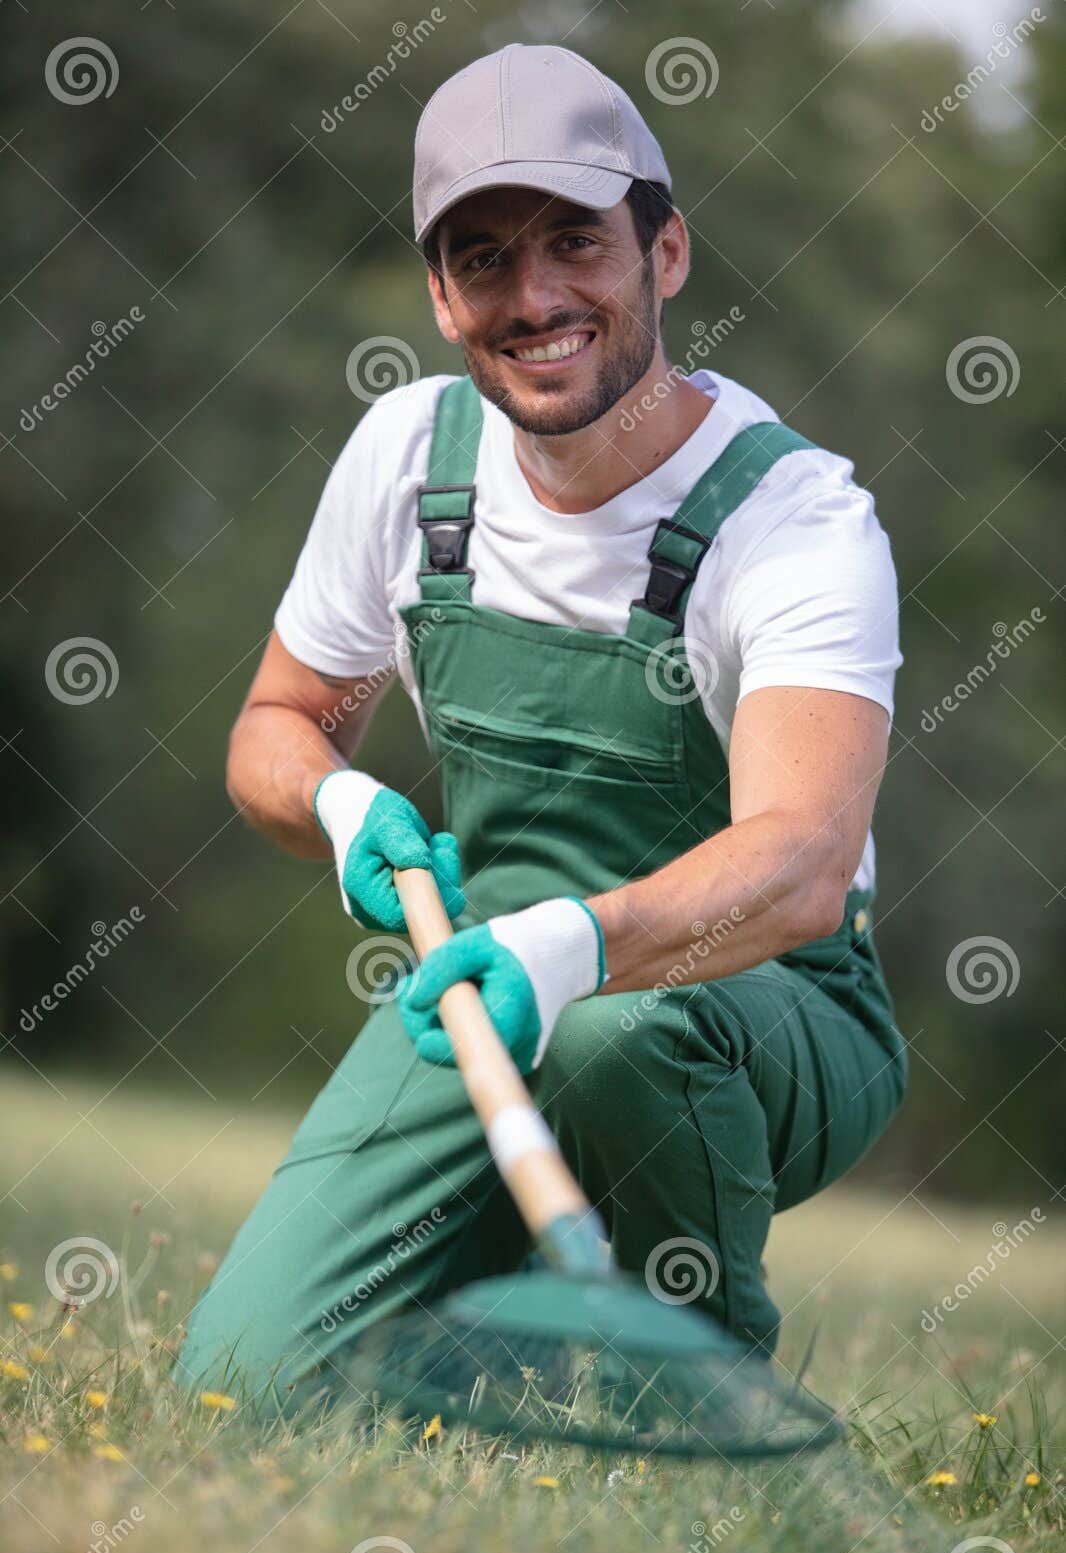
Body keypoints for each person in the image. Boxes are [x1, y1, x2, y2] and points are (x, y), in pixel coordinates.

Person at [177, 43, 908, 1416]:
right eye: (484, 259)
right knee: (244, 1384)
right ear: (441, 295)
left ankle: (697, 1398)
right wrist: (338, 802)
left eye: (576, 242)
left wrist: (570, 952)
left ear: (665, 252)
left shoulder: (792, 521)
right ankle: (520, 1352)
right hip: (485, 986)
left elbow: (805, 863)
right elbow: (277, 724)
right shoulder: (408, 459)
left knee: (611, 1043)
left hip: (764, 1010)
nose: (534, 297)